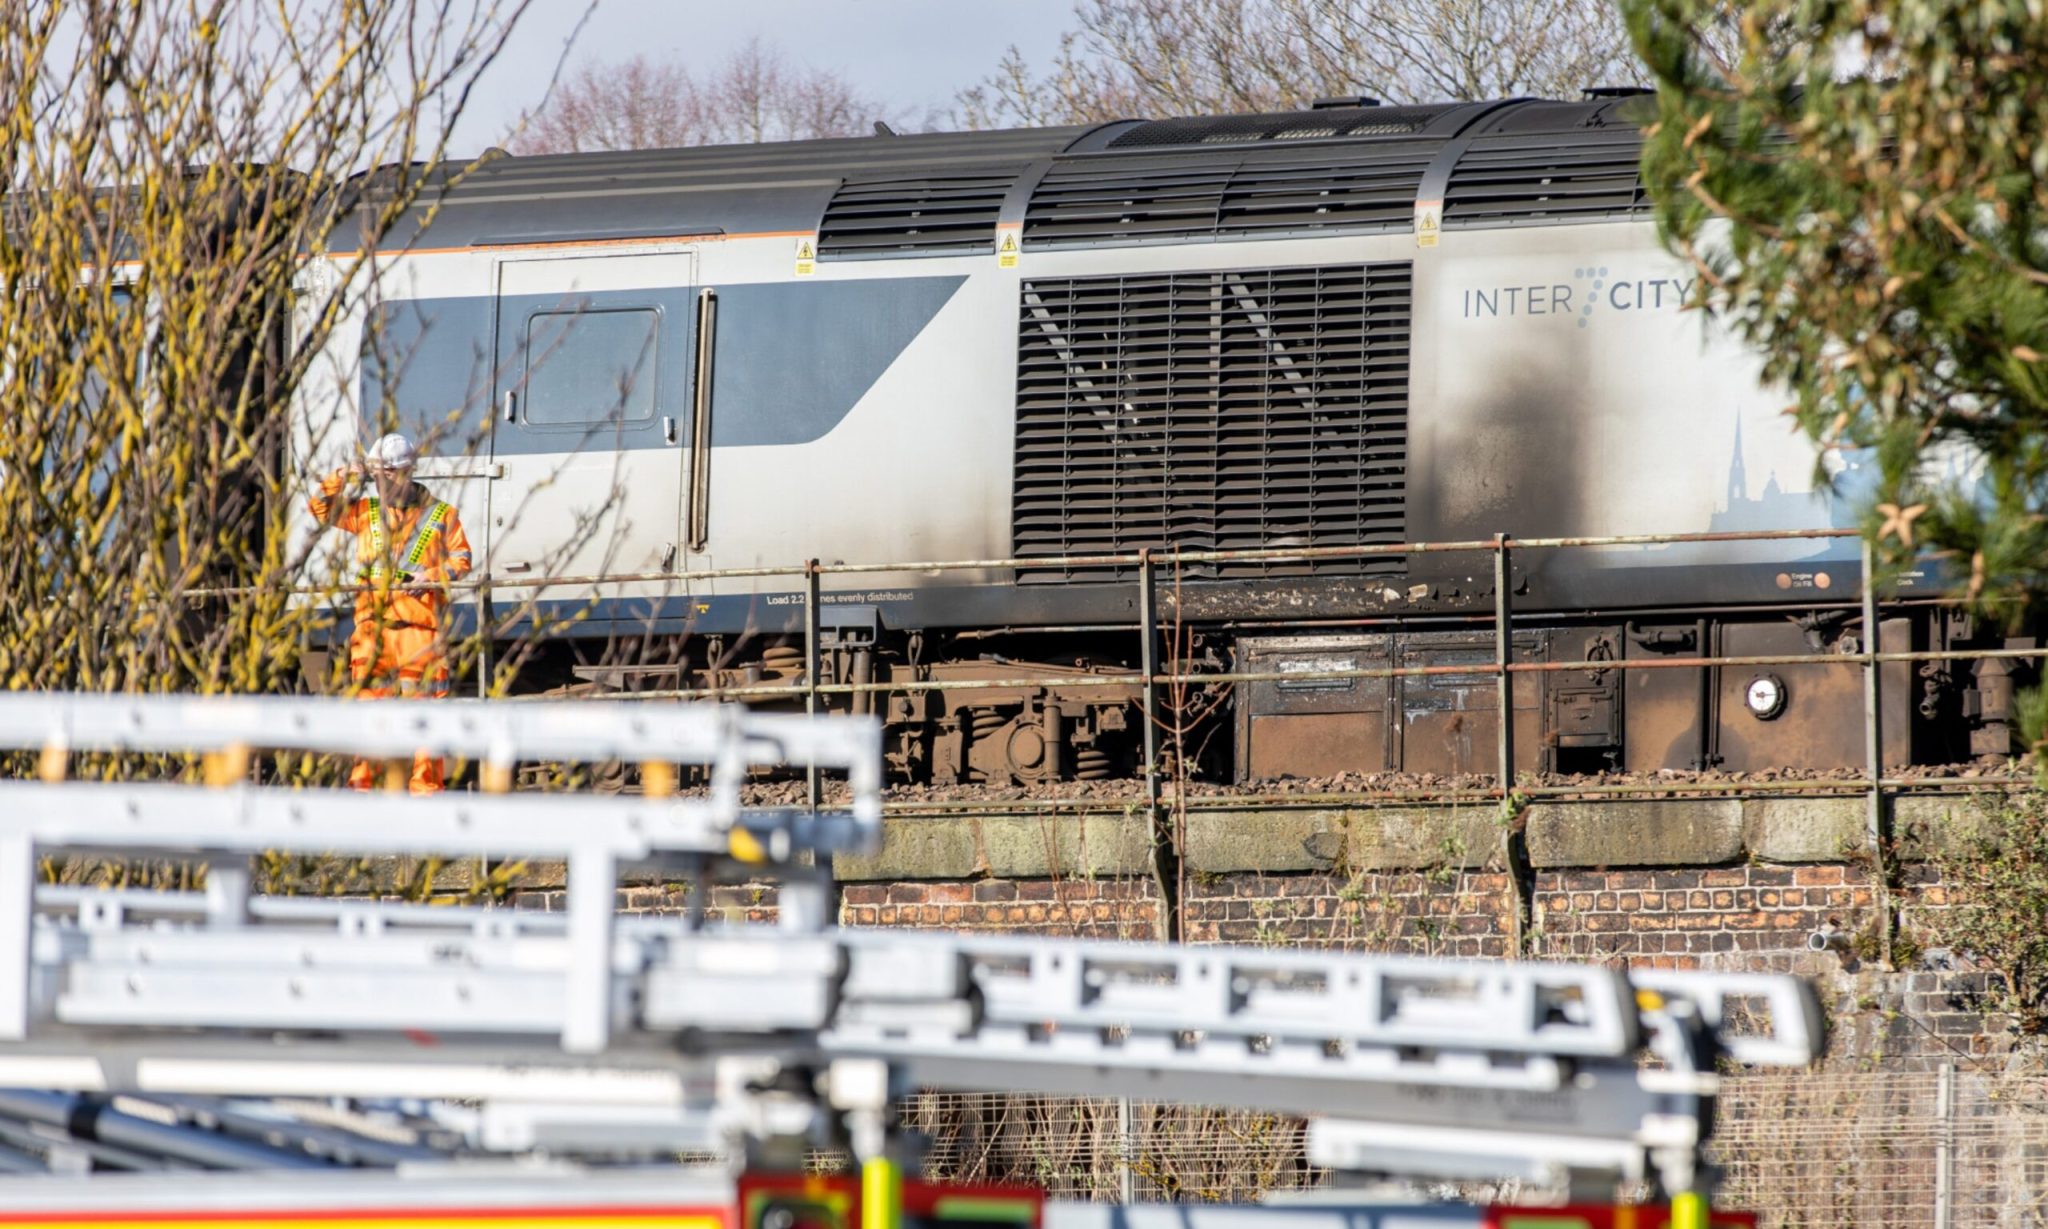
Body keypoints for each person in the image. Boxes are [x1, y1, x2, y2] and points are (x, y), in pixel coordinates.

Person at [308, 432, 474, 793]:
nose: (380, 481)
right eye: (376, 474)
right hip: (373, 632)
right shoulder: (364, 512)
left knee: (425, 720)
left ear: (406, 472)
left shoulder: (442, 516)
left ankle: (425, 794)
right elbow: (319, 507)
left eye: (386, 473)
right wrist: (345, 476)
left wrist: (431, 576)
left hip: (421, 631)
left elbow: (462, 559)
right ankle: (366, 793)